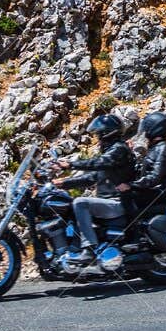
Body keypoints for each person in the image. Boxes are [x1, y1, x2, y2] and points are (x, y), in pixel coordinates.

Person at [57, 114, 136, 266]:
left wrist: (71, 164)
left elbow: (99, 163)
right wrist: (63, 183)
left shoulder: (119, 150)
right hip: (108, 202)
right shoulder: (111, 154)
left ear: (107, 134)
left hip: (117, 202)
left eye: (98, 135)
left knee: (80, 202)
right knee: (69, 203)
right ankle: (73, 246)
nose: (97, 139)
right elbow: (91, 178)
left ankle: (89, 249)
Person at [119, 111, 166, 216]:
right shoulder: (156, 147)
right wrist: (129, 153)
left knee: (126, 196)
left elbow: (155, 177)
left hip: (159, 193)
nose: (145, 131)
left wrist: (130, 185)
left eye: (148, 127)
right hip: (153, 190)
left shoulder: (164, 148)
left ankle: (130, 229)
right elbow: (141, 170)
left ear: (155, 128)